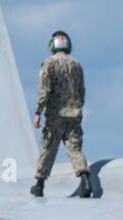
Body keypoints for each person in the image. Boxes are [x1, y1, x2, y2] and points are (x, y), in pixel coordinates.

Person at [32, 31, 90, 199]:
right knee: (75, 149)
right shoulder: (76, 64)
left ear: (53, 45)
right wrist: (76, 108)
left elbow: (44, 91)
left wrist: (37, 113)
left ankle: (39, 184)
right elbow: (82, 91)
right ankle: (86, 180)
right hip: (74, 115)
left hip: (55, 115)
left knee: (48, 148)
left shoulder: (48, 63)